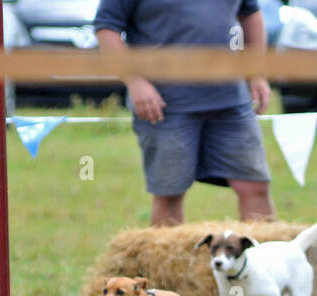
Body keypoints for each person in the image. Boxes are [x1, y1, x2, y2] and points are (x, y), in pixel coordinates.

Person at [94, 0, 275, 227]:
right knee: (169, 193)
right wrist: (135, 81)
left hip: (231, 100)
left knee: (254, 185)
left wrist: (257, 73)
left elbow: (251, 16)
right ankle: (166, 262)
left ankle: (265, 260)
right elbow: (106, 28)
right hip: (164, 104)